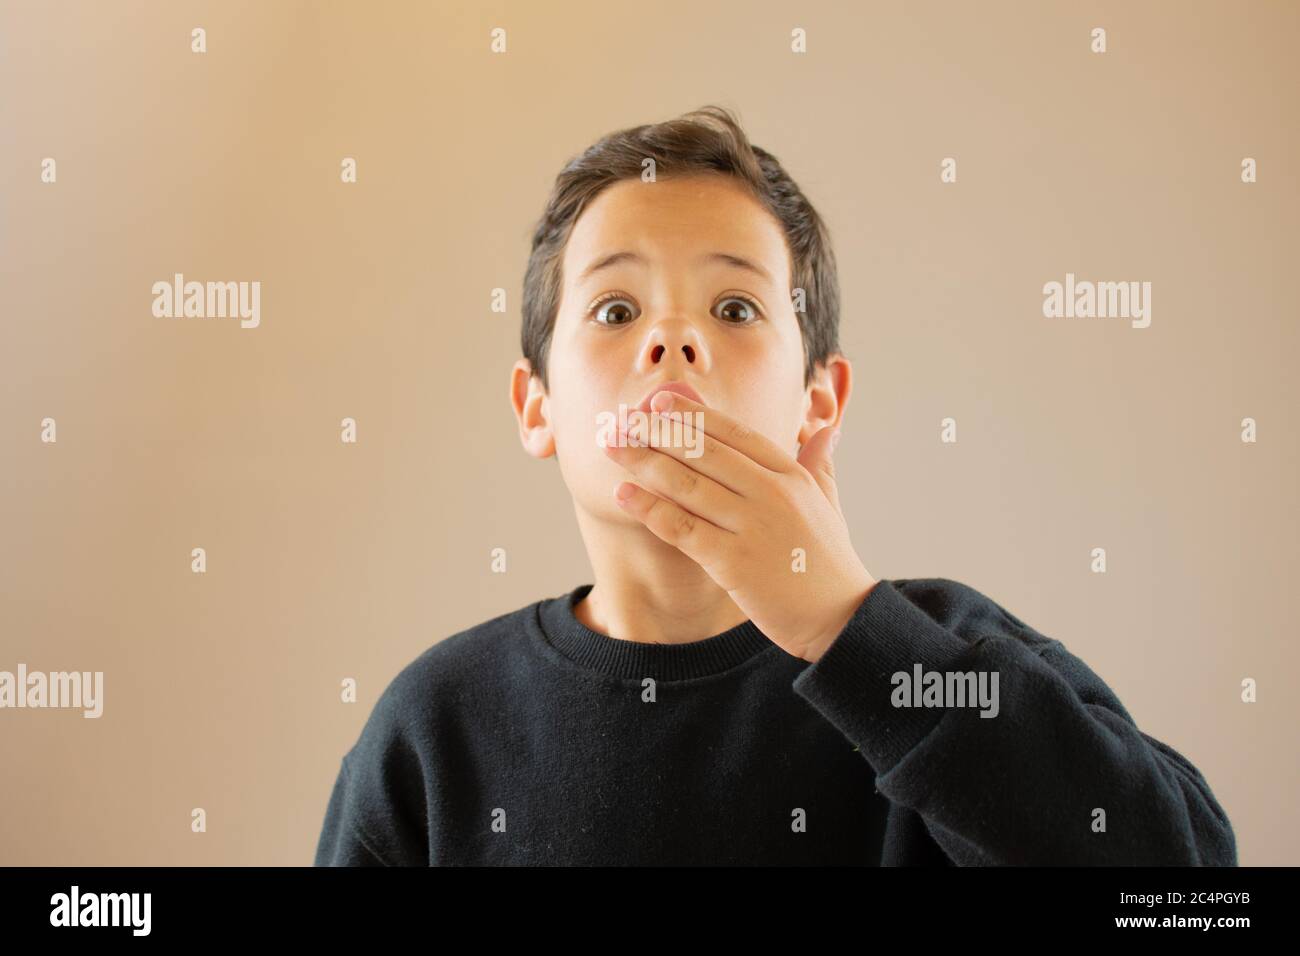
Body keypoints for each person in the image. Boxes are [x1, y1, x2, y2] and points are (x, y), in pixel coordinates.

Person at [313, 106, 1237, 866]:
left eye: (736, 308)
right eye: (616, 309)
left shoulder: (938, 659)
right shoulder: (437, 726)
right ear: (537, 406)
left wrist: (848, 627)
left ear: (816, 404)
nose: (672, 341)